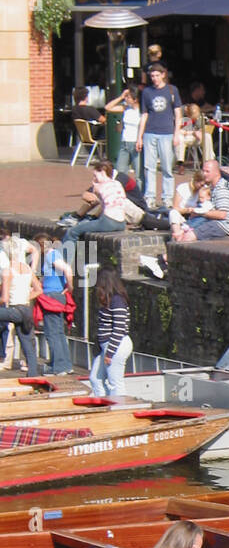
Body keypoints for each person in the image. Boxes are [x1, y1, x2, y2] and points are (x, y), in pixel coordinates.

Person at [137, 63, 182, 211]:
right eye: (152, 76)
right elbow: (144, 114)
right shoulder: (147, 92)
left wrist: (177, 133)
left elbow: (178, 114)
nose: (155, 78)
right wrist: (139, 136)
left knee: (167, 167)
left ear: (163, 75)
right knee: (149, 167)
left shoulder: (172, 90)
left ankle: (167, 197)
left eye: (157, 75)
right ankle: (150, 197)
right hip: (150, 132)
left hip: (167, 132)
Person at [33, 232, 74, 375]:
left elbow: (67, 269)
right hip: (54, 295)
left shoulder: (52, 255)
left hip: (52, 297)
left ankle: (59, 367)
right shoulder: (53, 255)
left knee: (52, 333)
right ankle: (65, 364)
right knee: (58, 332)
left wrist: (70, 287)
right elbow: (49, 277)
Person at [0, 238, 41, 376]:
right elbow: (38, 290)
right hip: (26, 309)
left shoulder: (7, 270)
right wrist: (25, 298)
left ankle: (2, 353)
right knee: (27, 344)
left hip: (14, 310)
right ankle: (33, 375)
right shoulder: (28, 268)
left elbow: (4, 298)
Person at [63, 160, 129, 244]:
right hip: (121, 223)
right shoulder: (117, 183)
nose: (94, 178)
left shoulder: (99, 186)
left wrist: (95, 186)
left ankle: (64, 256)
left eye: (95, 175)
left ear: (102, 172)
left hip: (108, 222)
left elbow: (92, 199)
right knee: (87, 228)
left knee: (72, 232)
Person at [90, 267, 132, 397]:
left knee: (115, 382)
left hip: (116, 346)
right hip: (107, 346)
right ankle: (104, 402)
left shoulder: (117, 300)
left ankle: (118, 408)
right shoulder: (109, 300)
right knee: (95, 379)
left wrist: (109, 353)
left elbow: (119, 329)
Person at [185, 158, 229, 240]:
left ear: (216, 172)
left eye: (207, 171)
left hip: (223, 225)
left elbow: (222, 214)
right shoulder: (212, 187)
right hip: (212, 220)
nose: (204, 174)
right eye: (203, 171)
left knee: (188, 236)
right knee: (181, 230)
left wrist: (199, 212)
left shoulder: (221, 189)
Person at [106, 83, 143, 186]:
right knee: (120, 170)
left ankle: (139, 195)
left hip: (136, 142)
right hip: (125, 142)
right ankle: (122, 191)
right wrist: (121, 97)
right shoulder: (125, 108)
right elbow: (108, 107)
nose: (126, 99)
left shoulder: (141, 111)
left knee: (138, 173)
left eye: (128, 97)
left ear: (135, 99)